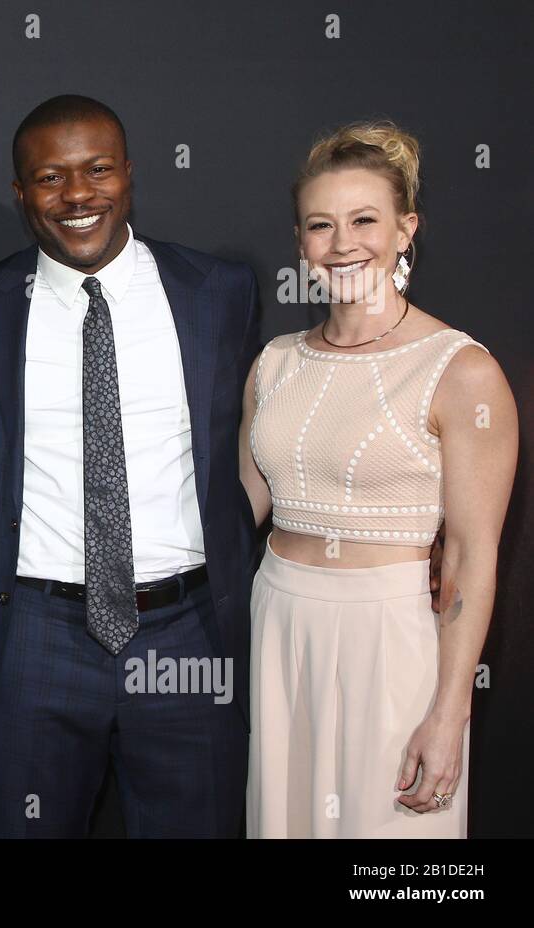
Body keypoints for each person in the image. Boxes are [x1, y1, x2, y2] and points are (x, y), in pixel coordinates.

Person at [0, 95, 260, 837]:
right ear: (20, 194)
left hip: (190, 632)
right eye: (50, 177)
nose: (78, 195)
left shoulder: (219, 292)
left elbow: (270, 432)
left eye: (97, 170)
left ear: (130, 175)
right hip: (35, 637)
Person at [242, 122, 517, 838]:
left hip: (392, 640)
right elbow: (237, 509)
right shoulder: (274, 362)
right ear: (300, 242)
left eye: (365, 220)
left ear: (406, 230)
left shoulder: (462, 371)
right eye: (320, 225)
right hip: (281, 624)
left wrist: (450, 711)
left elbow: (470, 557)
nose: (342, 243)